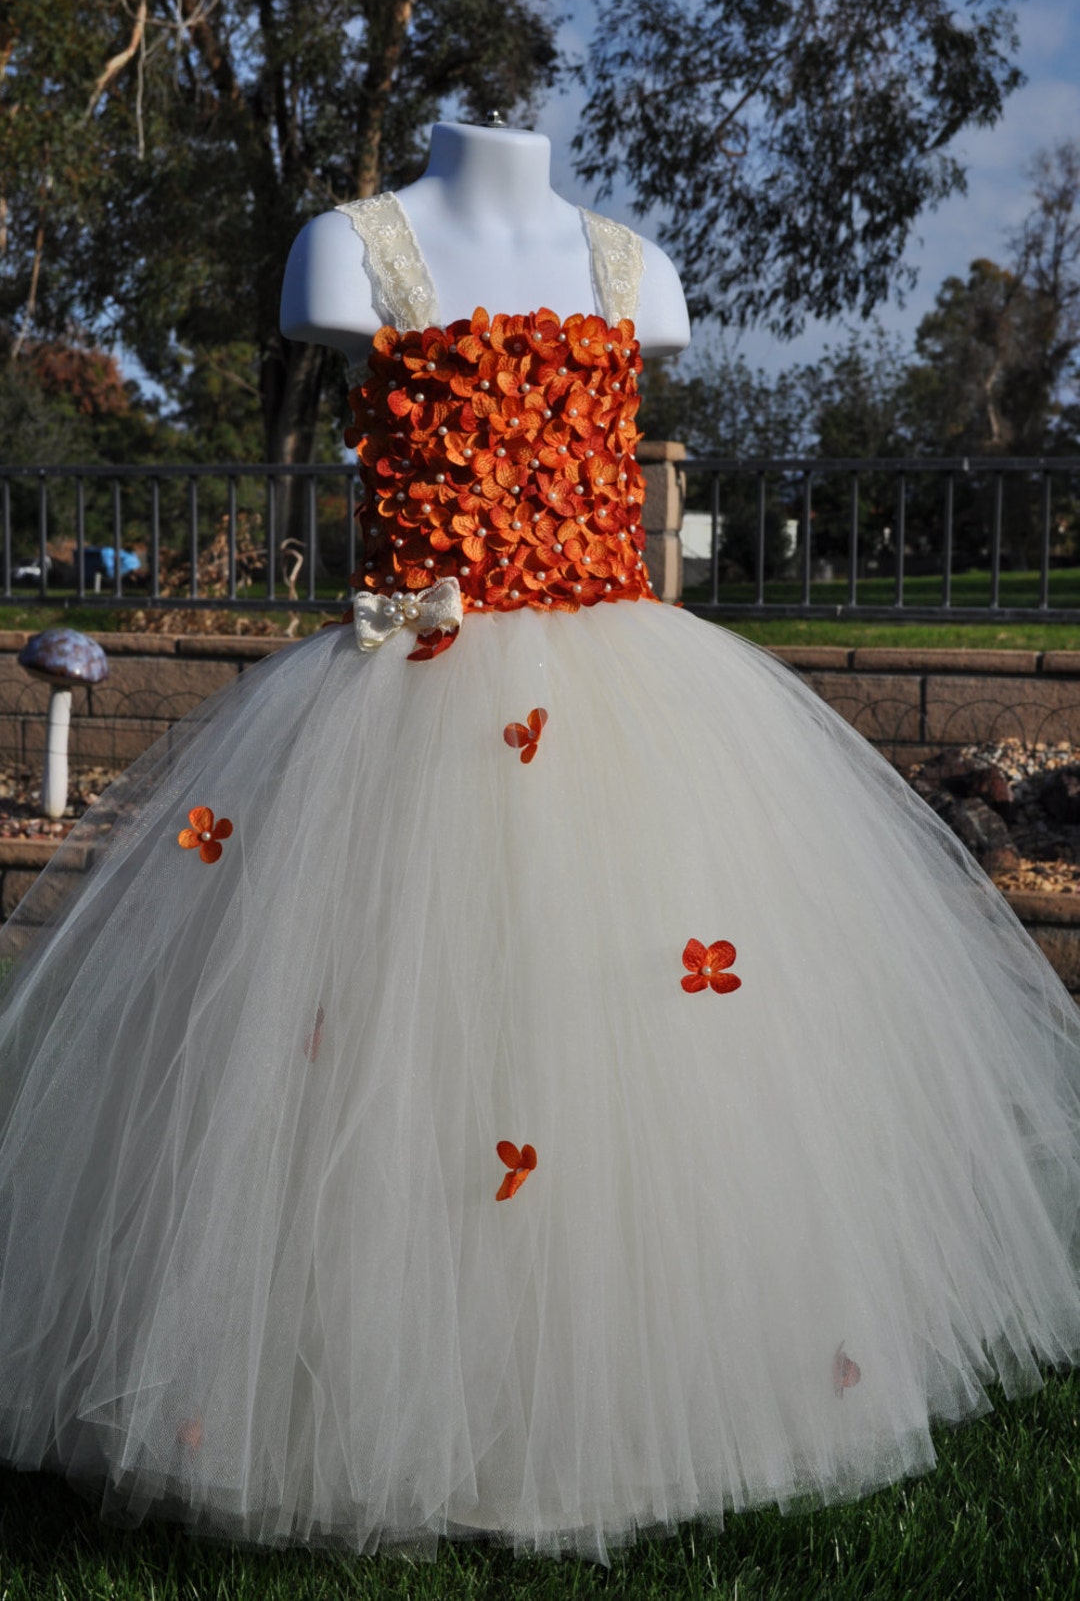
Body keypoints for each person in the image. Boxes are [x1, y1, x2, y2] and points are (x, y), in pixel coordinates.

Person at [0, 119, 1079, 1563]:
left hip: (621, 693)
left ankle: (627, 1384)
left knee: (623, 1030)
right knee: (378, 1047)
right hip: (398, 707)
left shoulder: (637, 271)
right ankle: (367, 1386)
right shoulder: (348, 251)